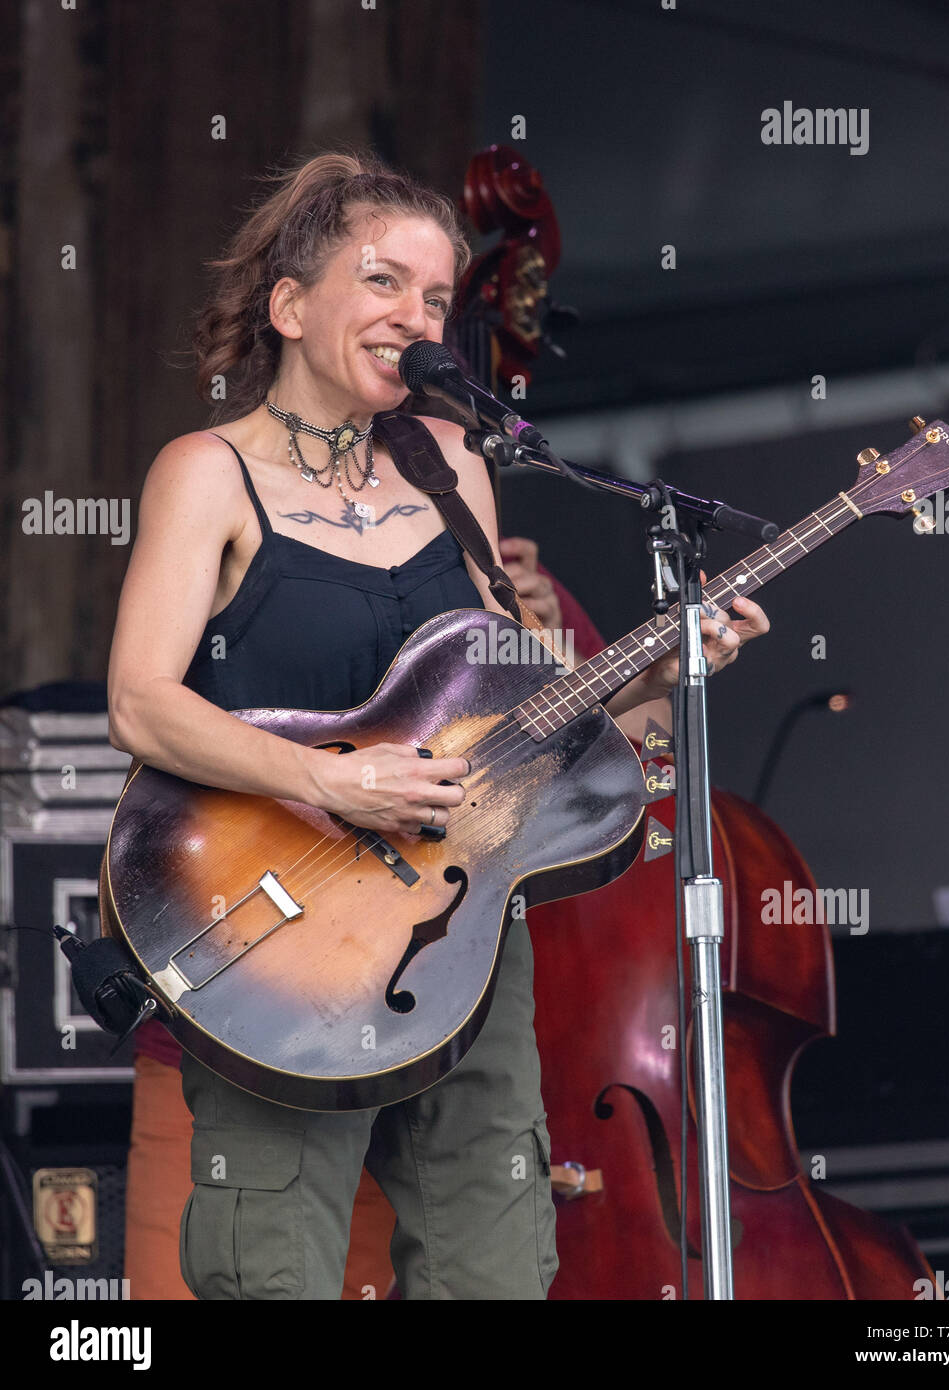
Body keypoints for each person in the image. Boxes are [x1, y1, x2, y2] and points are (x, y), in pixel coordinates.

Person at [106, 151, 769, 1301]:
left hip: (455, 935)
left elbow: (508, 700)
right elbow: (140, 703)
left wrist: (659, 664)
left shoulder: (454, 461)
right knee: (274, 1268)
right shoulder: (205, 473)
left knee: (498, 1263)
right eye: (381, 283)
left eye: (433, 300)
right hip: (284, 935)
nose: (414, 320)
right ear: (290, 303)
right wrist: (332, 783)